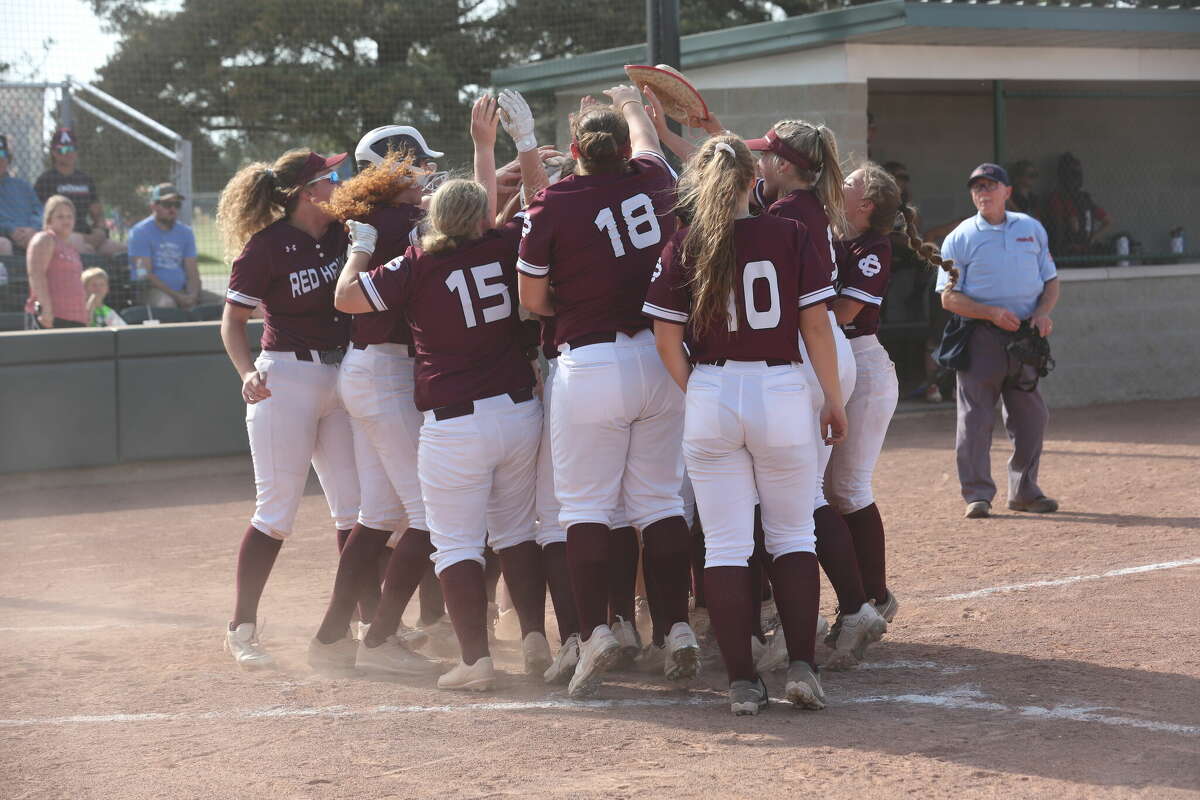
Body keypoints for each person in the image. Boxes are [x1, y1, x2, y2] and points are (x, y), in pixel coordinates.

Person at [333, 96, 548, 692]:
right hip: (518, 408)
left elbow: (347, 300)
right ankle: (534, 638)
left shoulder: (418, 261)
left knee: (453, 540)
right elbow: (522, 205)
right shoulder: (503, 245)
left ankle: (474, 658)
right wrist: (496, 150)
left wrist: (357, 253)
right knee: (516, 533)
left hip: (454, 421)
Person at [644, 135, 847, 715]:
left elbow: (665, 337)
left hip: (712, 388)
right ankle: (802, 668)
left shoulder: (686, 241)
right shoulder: (789, 233)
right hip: (780, 388)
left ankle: (740, 684)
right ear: (747, 180)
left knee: (727, 546)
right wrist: (833, 398)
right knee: (792, 535)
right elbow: (815, 327)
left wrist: (703, 388)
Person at [517, 85, 699, 700]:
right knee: (659, 501)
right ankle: (675, 626)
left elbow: (533, 301)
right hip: (661, 355)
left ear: (574, 151)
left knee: (586, 508)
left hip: (590, 361)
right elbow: (649, 145)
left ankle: (596, 631)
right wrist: (631, 102)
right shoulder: (653, 178)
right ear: (623, 147)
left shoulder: (553, 201)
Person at [216, 148, 360, 668]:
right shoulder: (266, 248)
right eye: (331, 177)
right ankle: (242, 628)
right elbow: (231, 323)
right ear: (307, 191)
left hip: (343, 375)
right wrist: (246, 372)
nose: (339, 182)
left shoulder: (347, 231)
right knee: (276, 513)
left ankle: (354, 626)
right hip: (288, 377)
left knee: (357, 509)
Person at [938, 163, 1060, 519]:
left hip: (1025, 337)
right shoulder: (960, 238)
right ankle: (977, 494)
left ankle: (1024, 491)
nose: (983, 193)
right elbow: (948, 298)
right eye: (977, 187)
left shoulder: (1031, 229)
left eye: (991, 186)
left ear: (1007, 191)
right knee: (975, 418)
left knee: (1032, 417)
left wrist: (1042, 312)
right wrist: (990, 313)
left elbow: (1051, 282)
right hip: (980, 337)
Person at [825, 163, 909, 665]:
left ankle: (874, 598)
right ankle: (859, 600)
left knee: (846, 489)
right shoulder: (833, 230)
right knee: (825, 491)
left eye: (852, 185)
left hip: (862, 363)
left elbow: (842, 315)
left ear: (868, 205)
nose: (842, 188)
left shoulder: (872, 247)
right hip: (830, 362)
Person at [34, 127, 124, 256]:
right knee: (85, 250)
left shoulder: (85, 179)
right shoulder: (45, 180)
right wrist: (85, 239)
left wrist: (99, 231)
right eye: (62, 150)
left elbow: (98, 214)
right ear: (54, 152)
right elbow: (41, 219)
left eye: (71, 149)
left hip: (88, 234)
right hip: (61, 236)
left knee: (123, 251)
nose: (68, 153)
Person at [128, 183, 216, 309]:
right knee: (167, 304)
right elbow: (145, 274)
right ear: (153, 206)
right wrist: (177, 296)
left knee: (225, 302)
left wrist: (193, 295)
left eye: (177, 205)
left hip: (183, 290)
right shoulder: (139, 232)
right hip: (151, 292)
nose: (172, 209)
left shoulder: (186, 232)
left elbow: (192, 272)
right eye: (167, 204)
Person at [24, 195, 89, 329]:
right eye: (60, 217)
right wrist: (46, 309)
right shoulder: (44, 239)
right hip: (51, 318)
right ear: (49, 220)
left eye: (69, 216)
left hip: (75, 319)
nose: (66, 221)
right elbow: (36, 275)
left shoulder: (72, 248)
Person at [1043, 152, 1112, 258]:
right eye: (1071, 173)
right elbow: (1066, 226)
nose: (1075, 178)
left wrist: (1093, 237)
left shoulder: (1084, 198)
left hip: (1085, 249)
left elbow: (1107, 221)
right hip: (1067, 250)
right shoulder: (1058, 198)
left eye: (1077, 173)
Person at [0, 134, 43, 256]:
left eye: (2, 154)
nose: (0, 159)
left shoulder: (23, 186)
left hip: (29, 235)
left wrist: (33, 229)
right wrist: (9, 230)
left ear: (8, 159)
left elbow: (39, 211)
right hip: (4, 238)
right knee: (4, 245)